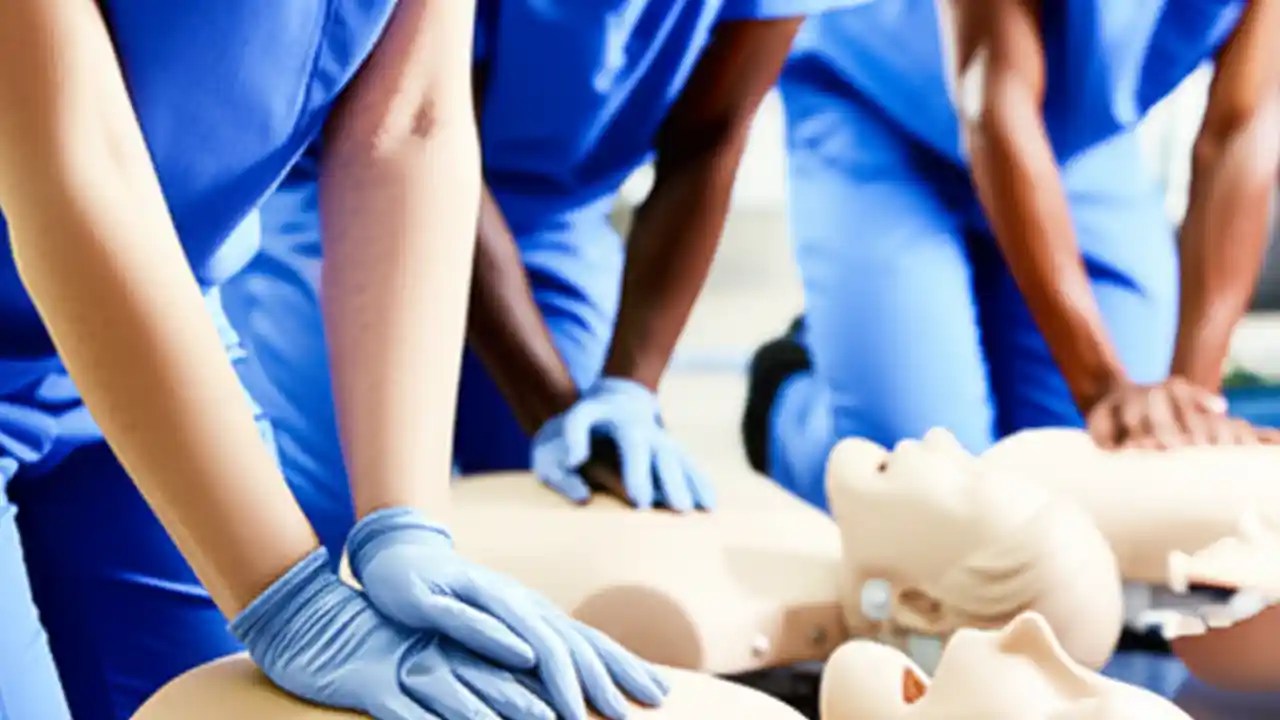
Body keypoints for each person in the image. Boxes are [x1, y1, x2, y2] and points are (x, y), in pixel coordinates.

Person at [0, 2, 664, 720]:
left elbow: (411, 122)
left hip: (161, 321)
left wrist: (405, 523)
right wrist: (288, 600)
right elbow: (78, 158)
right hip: (93, 276)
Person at [222, 0, 873, 520]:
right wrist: (552, 407)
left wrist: (625, 391)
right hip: (355, 186)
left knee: (582, 505)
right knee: (329, 527)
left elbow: (710, 138)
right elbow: (417, 132)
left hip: (558, 212)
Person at [742, 0, 1280, 510]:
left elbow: (1241, 130)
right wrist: (1103, 387)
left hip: (1075, 145)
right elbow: (993, 96)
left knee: (1101, 485)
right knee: (937, 491)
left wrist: (1188, 409)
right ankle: (786, 400)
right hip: (882, 109)